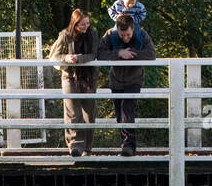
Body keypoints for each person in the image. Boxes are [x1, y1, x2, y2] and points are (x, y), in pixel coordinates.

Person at [95, 14, 156, 157]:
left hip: (134, 79)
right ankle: (125, 144)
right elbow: (100, 54)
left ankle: (129, 146)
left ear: (133, 29)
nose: (125, 38)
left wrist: (132, 54)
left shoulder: (142, 35)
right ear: (117, 30)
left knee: (127, 109)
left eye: (128, 34)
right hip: (116, 80)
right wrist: (118, 53)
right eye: (122, 35)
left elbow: (151, 54)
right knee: (119, 113)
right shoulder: (110, 35)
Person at [48, 9, 99, 157]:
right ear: (75, 23)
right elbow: (56, 56)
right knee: (72, 112)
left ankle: (88, 147)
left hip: (89, 77)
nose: (86, 27)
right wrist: (68, 58)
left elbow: (94, 54)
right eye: (82, 24)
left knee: (89, 113)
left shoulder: (93, 34)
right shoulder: (65, 35)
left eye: (87, 23)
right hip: (70, 76)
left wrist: (80, 59)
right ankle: (75, 146)